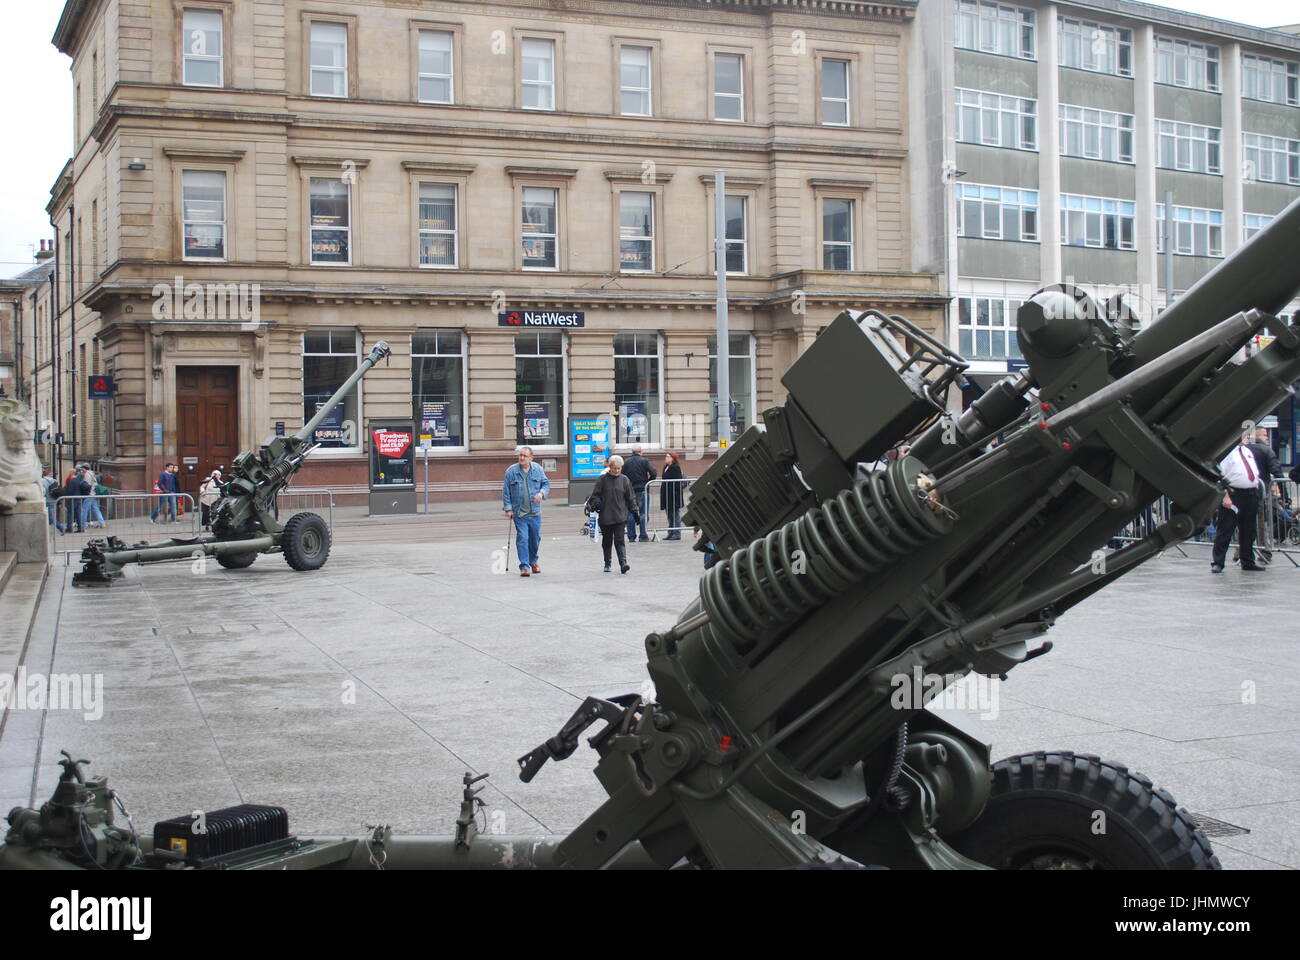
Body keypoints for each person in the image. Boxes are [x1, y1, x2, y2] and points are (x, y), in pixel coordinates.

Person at [1211, 439, 1264, 574]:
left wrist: (1255, 483)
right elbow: (1220, 475)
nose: (1246, 438)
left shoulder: (1247, 451)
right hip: (1234, 493)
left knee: (1249, 530)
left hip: (1250, 493)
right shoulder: (1227, 452)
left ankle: (1247, 560)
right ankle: (1218, 562)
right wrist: (1225, 496)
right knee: (1226, 529)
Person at [502, 446, 550, 577]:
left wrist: (541, 493)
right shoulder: (511, 471)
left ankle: (533, 561)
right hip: (519, 513)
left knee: (535, 539)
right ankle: (524, 566)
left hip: (535, 512)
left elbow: (546, 484)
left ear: (531, 458)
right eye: (520, 455)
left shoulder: (538, 469)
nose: (521, 458)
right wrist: (508, 508)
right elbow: (506, 491)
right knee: (523, 537)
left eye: (524, 456)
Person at [590, 454, 637, 573]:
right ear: (609, 467)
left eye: (619, 468)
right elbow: (595, 495)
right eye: (614, 468)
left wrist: (635, 511)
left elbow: (630, 497)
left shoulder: (624, 480)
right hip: (605, 515)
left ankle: (623, 563)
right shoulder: (602, 480)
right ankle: (607, 563)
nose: (616, 470)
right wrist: (597, 503)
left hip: (620, 516)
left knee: (619, 540)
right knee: (607, 541)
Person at [622, 444, 656, 543]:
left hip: (630, 491)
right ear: (640, 451)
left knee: (630, 513)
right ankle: (643, 536)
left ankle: (631, 537)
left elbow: (622, 476)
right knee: (643, 513)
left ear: (632, 452)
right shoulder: (644, 461)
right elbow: (653, 472)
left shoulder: (626, 462)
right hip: (642, 489)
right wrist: (648, 481)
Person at [660, 451, 685, 540]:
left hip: (674, 495)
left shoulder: (675, 467)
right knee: (669, 515)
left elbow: (677, 483)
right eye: (666, 456)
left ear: (672, 459)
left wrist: (675, 494)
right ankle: (670, 532)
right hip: (666, 495)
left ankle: (677, 533)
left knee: (675, 514)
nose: (666, 458)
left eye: (668, 456)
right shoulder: (666, 467)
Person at [40, 467, 63, 532]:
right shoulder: (54, 481)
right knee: (52, 517)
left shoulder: (41, 481)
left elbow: (42, 491)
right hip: (55, 500)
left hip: (47, 500)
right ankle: (44, 529)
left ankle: (61, 528)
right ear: (49, 474)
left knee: (51, 518)